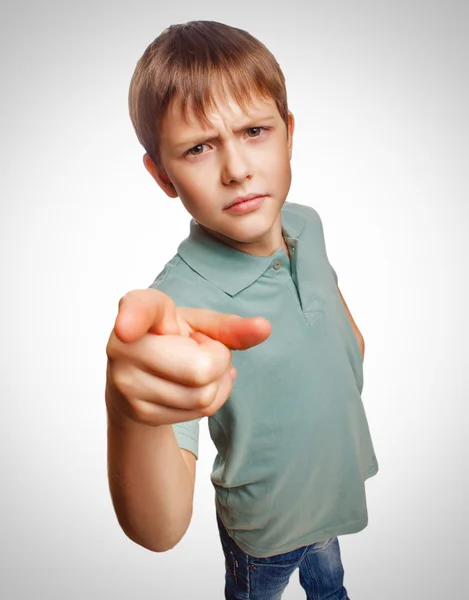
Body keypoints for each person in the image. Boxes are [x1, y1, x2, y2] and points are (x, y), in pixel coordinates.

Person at [105, 20, 379, 600]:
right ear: (163, 176)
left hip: (330, 497)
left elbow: (337, 320)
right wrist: (133, 415)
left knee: (332, 588)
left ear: (288, 133)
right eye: (199, 147)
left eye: (255, 130)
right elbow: (159, 527)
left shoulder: (306, 222)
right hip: (265, 528)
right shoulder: (177, 307)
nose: (236, 169)